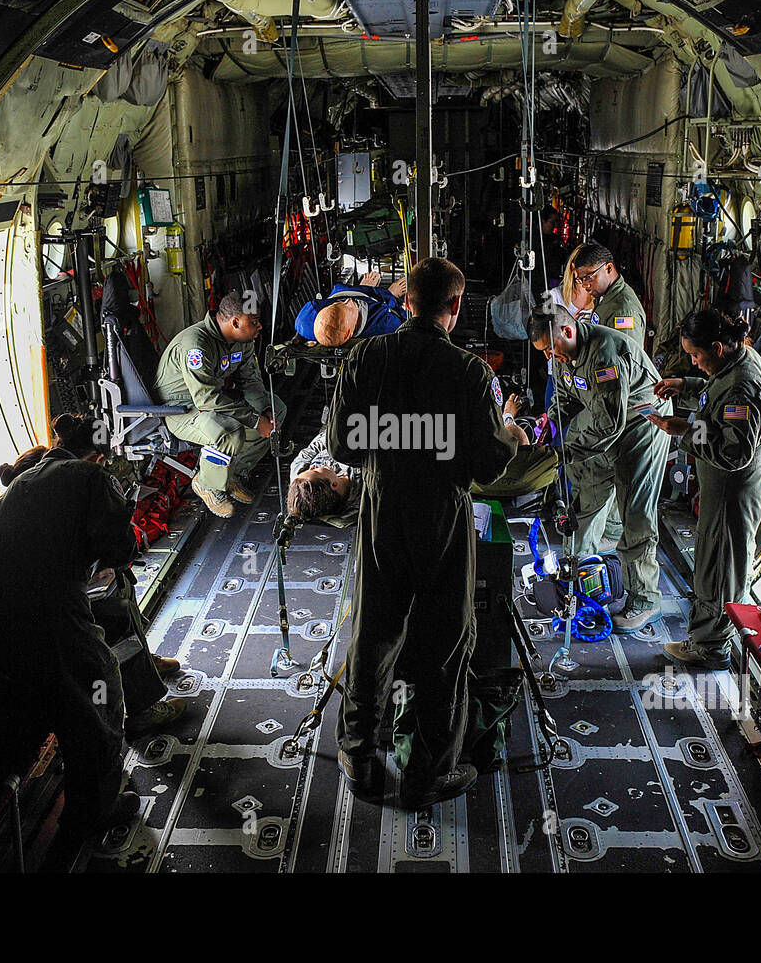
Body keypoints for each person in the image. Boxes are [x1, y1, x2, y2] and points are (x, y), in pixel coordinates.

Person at [326, 257, 519, 809]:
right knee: (444, 646)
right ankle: (427, 775)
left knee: (372, 635)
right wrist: (506, 434)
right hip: (441, 519)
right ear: (455, 307)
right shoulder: (469, 374)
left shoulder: (368, 356)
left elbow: (343, 447)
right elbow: (485, 466)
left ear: (405, 301)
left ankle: (357, 756)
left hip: (383, 512)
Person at [0, 415, 142, 839]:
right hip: (48, 613)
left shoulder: (24, 481)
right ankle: (94, 810)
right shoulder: (88, 476)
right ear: (97, 456)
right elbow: (120, 546)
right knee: (99, 691)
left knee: (60, 686)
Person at [0, 444, 188, 735]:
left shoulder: (13, 511)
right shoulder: (18, 518)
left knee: (119, 583)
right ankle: (142, 710)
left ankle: (142, 669)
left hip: (19, 609)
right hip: (26, 625)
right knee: (112, 610)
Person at [527, 308, 671, 632]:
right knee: (586, 494)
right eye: (544, 354)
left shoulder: (604, 355)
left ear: (567, 332)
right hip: (602, 424)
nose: (551, 357)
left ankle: (646, 600)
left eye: (551, 350)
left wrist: (564, 452)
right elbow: (566, 398)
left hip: (643, 425)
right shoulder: (563, 356)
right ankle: (574, 577)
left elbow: (610, 423)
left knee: (636, 513)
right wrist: (551, 422)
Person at [648, 308, 761, 669]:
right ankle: (710, 638)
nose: (694, 361)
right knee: (717, 562)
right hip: (722, 487)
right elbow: (715, 394)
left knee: (719, 569)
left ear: (717, 347)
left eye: (696, 356)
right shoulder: (736, 361)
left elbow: (733, 453)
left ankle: (711, 647)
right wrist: (686, 385)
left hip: (731, 489)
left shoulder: (741, 388)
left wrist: (683, 431)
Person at [287, 397, 556, 520]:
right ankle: (518, 420)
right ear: (334, 485)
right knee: (515, 435)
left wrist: (337, 439)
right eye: (317, 470)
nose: (314, 465)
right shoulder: (371, 487)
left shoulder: (303, 477)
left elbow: (314, 448)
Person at [153, 291, 287, 518]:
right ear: (235, 322)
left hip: (214, 401)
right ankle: (208, 484)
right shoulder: (196, 344)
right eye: (254, 322)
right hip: (181, 410)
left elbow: (250, 380)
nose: (259, 327)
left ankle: (232, 475)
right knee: (229, 432)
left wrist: (264, 409)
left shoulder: (242, 341)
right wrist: (255, 420)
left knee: (276, 409)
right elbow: (205, 398)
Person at [294, 271, 408, 346]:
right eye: (348, 308)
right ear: (349, 333)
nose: (349, 300)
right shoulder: (387, 325)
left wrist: (361, 288)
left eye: (339, 303)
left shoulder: (305, 320)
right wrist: (391, 294)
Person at [570, 242, 646, 346]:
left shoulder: (623, 311)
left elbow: (625, 358)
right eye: (581, 280)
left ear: (608, 268)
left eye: (588, 278)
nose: (585, 285)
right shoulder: (604, 297)